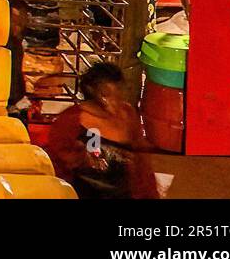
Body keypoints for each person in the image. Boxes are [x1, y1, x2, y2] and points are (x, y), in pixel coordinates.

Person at [45, 62, 158, 199]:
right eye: (106, 94)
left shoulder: (127, 114)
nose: (114, 101)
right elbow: (55, 164)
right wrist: (80, 159)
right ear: (91, 92)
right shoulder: (71, 121)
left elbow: (142, 163)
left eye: (119, 93)